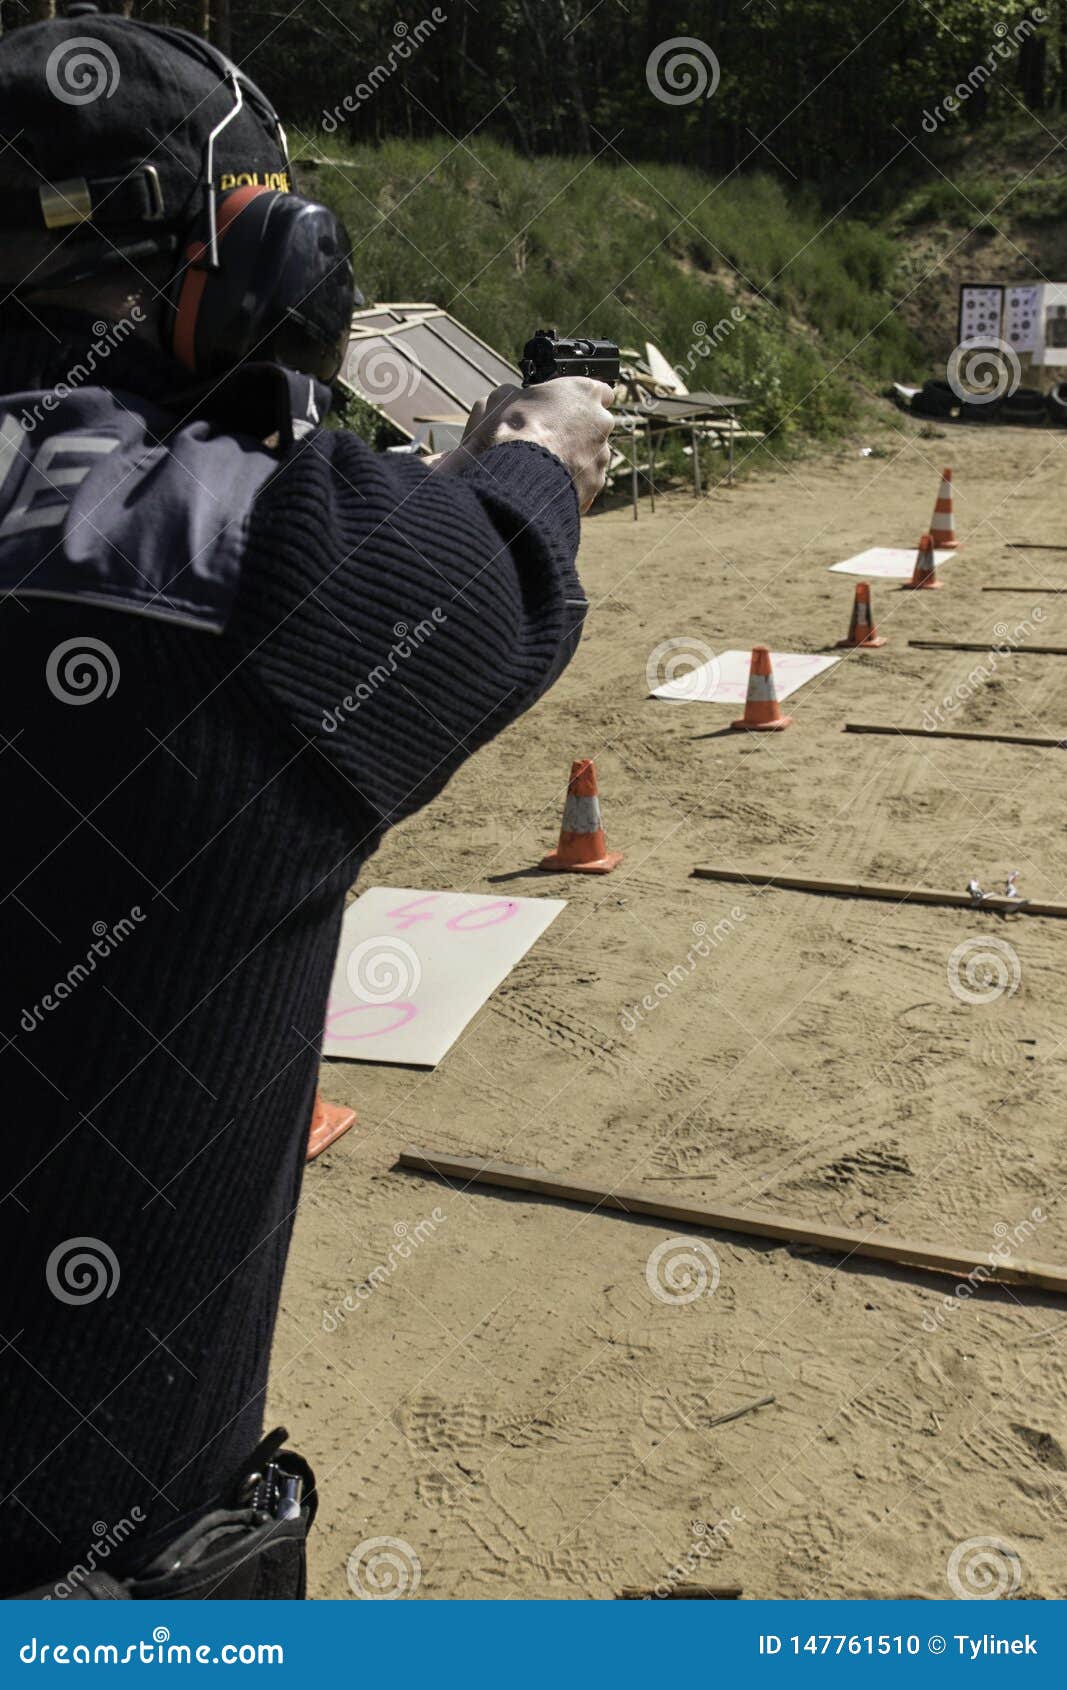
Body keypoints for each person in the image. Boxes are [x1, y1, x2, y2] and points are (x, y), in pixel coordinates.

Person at [0, 9, 612, 1598]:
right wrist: (539, 448)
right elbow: (495, 582)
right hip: (97, 1576)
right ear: (257, 262)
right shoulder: (268, 551)